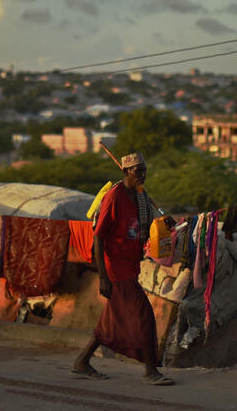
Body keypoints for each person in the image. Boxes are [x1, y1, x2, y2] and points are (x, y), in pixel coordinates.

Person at [72, 152, 176, 386]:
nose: (143, 174)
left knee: (111, 320)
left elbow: (145, 224)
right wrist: (103, 277)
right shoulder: (115, 196)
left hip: (131, 264)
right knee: (144, 315)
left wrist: (164, 222)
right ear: (126, 171)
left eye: (144, 170)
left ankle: (82, 362)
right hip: (116, 268)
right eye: (138, 170)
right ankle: (151, 371)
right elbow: (98, 236)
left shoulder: (140, 195)